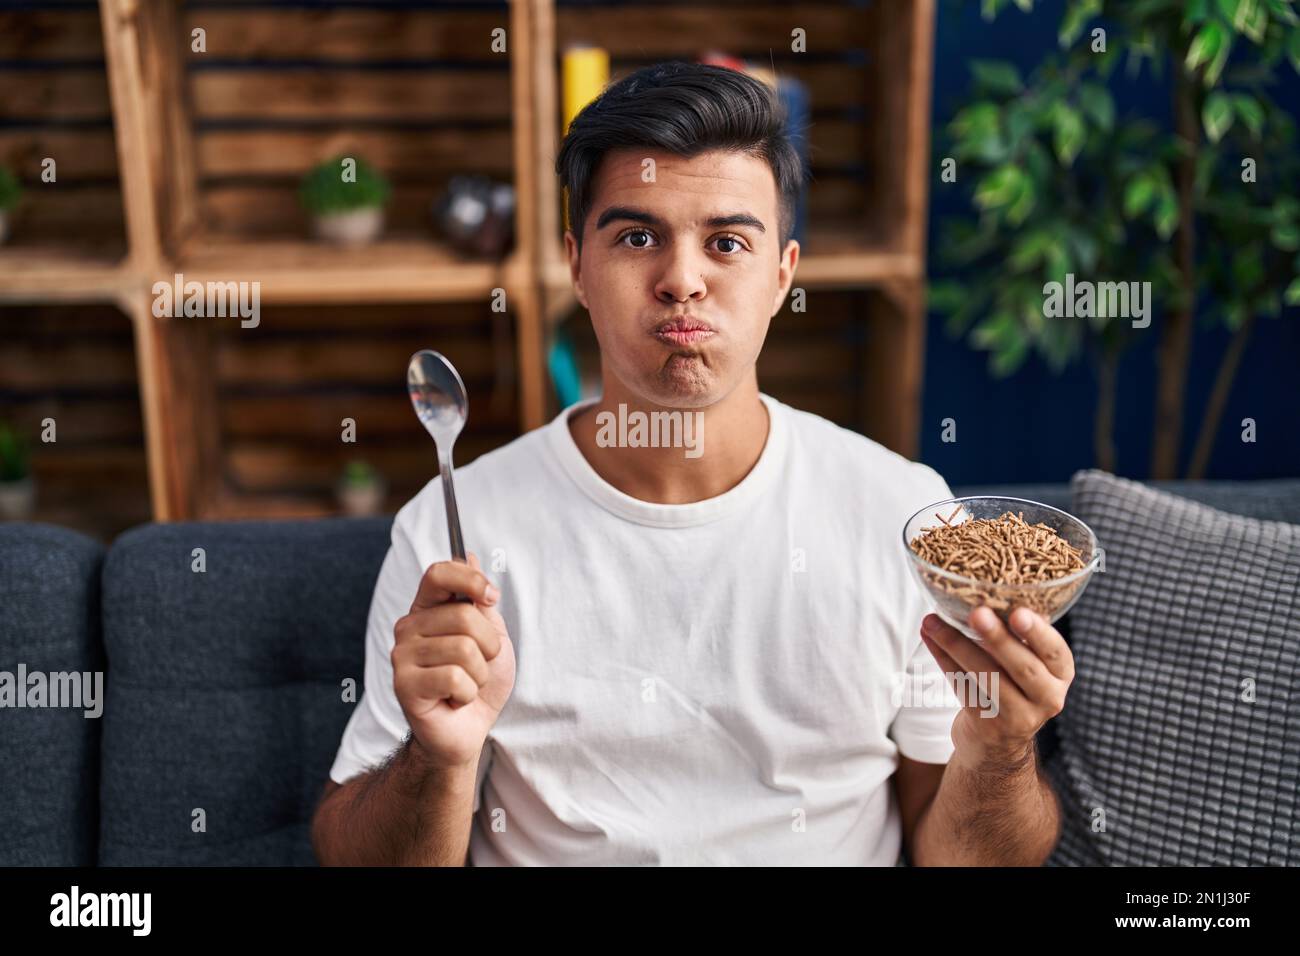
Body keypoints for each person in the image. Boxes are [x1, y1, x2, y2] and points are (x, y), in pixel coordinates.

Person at [311, 61, 1069, 866]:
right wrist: (440, 754)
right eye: (637, 237)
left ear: (782, 275)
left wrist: (1000, 752)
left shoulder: (903, 515)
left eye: (727, 242)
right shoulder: (453, 530)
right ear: (577, 265)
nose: (682, 280)